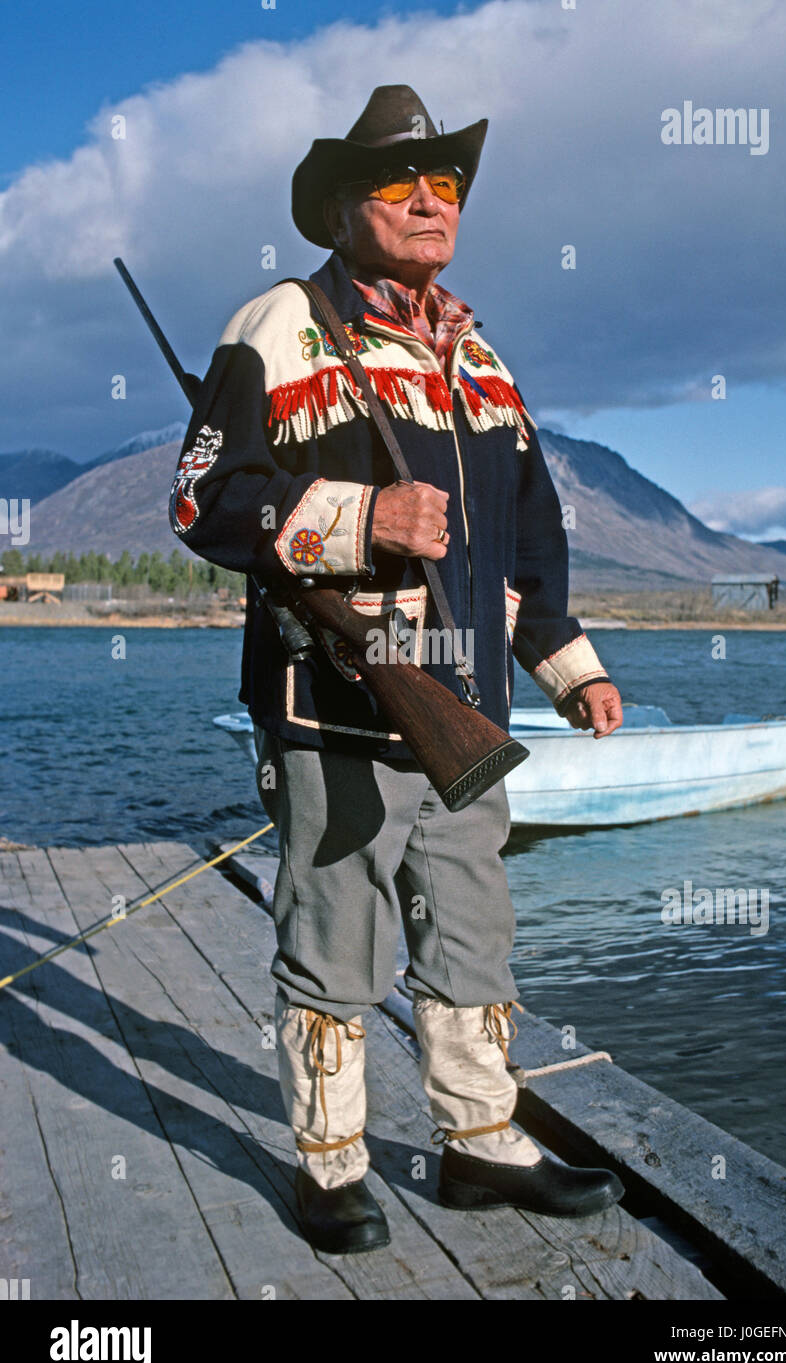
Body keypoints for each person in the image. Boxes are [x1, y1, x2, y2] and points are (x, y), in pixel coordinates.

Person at [169, 84, 625, 1255]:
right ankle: (330, 1163)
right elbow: (202, 499)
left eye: (449, 185)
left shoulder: (477, 352)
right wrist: (363, 516)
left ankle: (479, 1144)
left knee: (474, 933)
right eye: (400, 183)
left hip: (463, 713)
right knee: (332, 938)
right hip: (332, 703)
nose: (432, 202)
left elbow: (529, 544)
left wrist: (569, 668)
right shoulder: (277, 323)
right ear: (339, 205)